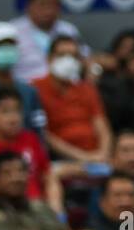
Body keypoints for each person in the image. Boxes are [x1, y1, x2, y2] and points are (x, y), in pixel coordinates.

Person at [31, 35, 111, 166]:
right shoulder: (35, 88)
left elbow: (102, 126)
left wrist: (103, 153)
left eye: (73, 56)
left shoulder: (87, 88)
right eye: (62, 55)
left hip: (97, 157)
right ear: (49, 59)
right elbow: (44, 134)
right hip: (61, 159)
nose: (68, 60)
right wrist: (82, 157)